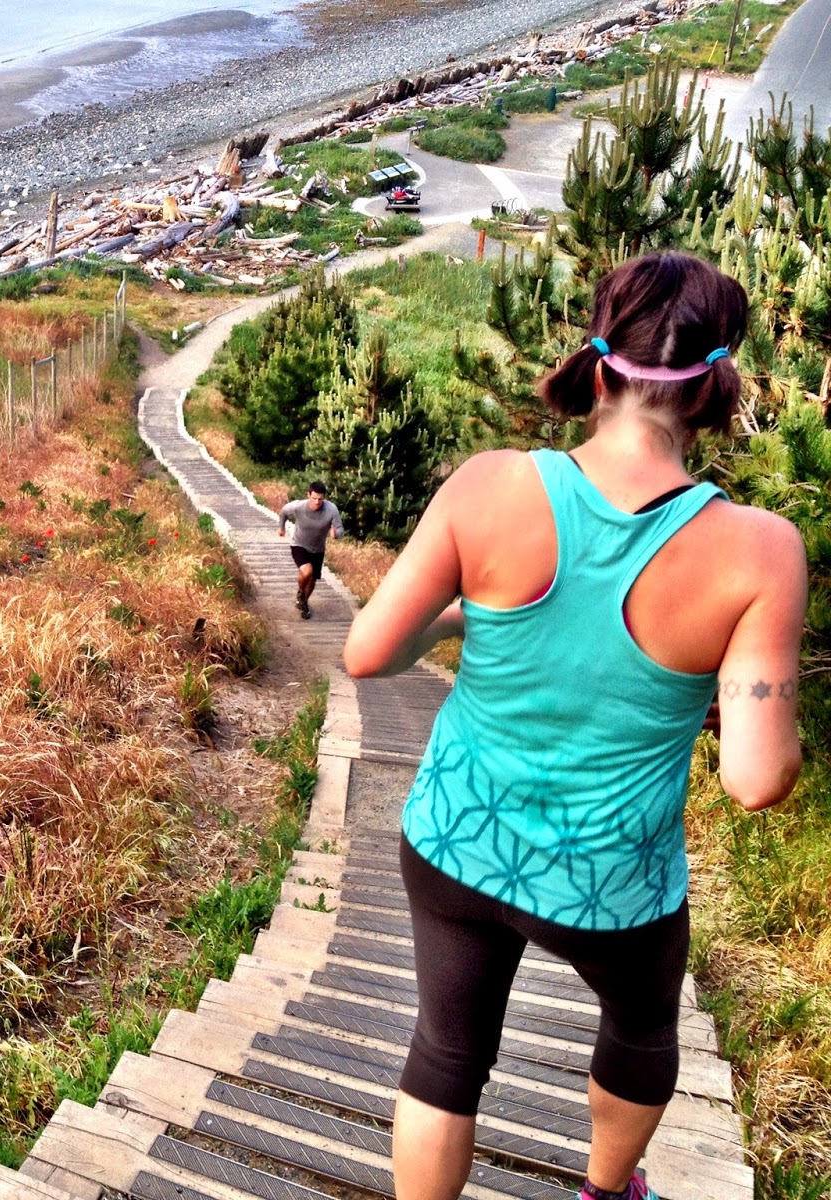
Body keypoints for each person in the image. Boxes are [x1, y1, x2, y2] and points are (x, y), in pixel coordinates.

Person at [342, 252, 807, 1200]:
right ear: (718, 386)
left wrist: (479, 612)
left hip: (458, 841)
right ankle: (605, 1190)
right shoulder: (759, 550)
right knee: (639, 1033)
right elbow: (756, 780)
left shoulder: (490, 484)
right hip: (613, 879)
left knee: (445, 1051)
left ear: (597, 366)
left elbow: (367, 654)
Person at [279, 480, 343, 619]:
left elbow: (340, 528)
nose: (317, 502)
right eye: (314, 498)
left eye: (320, 499)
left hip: (318, 549)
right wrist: (281, 528)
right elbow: (284, 511)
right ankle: (301, 592)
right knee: (307, 571)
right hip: (299, 544)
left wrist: (336, 533)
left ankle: (304, 602)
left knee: (312, 580)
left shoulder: (331, 509)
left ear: (324, 498)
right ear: (308, 495)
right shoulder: (298, 506)